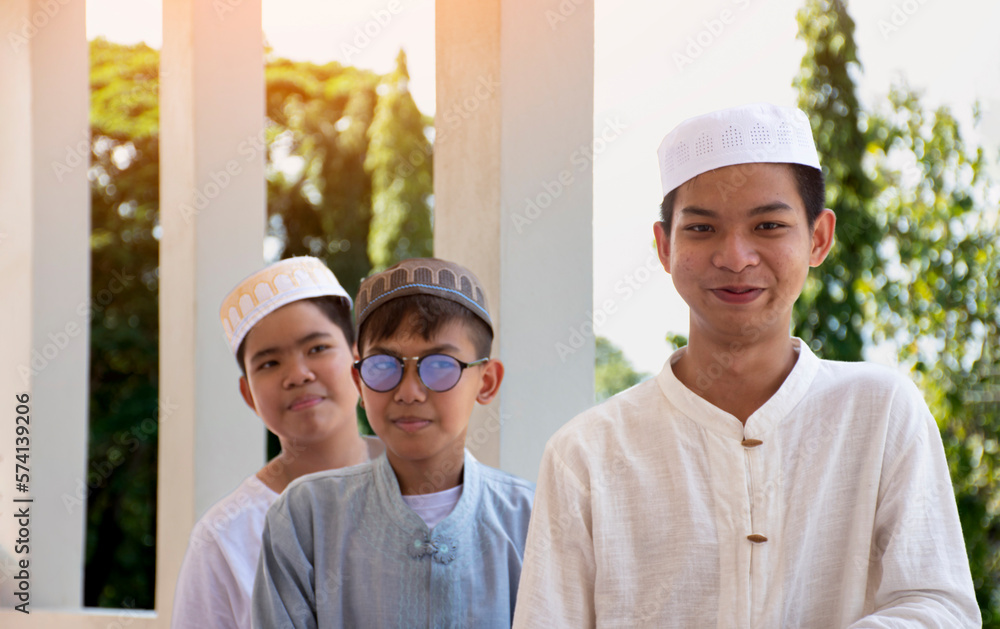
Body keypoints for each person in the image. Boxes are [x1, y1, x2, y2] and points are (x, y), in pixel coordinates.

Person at [513, 103, 981, 627]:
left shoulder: (880, 412)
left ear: (818, 238)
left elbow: (940, 607)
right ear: (664, 246)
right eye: (702, 229)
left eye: (768, 225)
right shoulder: (586, 454)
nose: (735, 257)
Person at [252, 258, 535, 628]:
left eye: (440, 365)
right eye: (384, 366)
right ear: (359, 381)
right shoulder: (306, 516)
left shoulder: (530, 519)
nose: (410, 392)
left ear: (486, 382)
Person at [171, 256, 383, 629]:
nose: (298, 375)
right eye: (269, 364)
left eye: (317, 349)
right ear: (248, 395)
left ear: (358, 360)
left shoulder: (425, 484)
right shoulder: (225, 538)